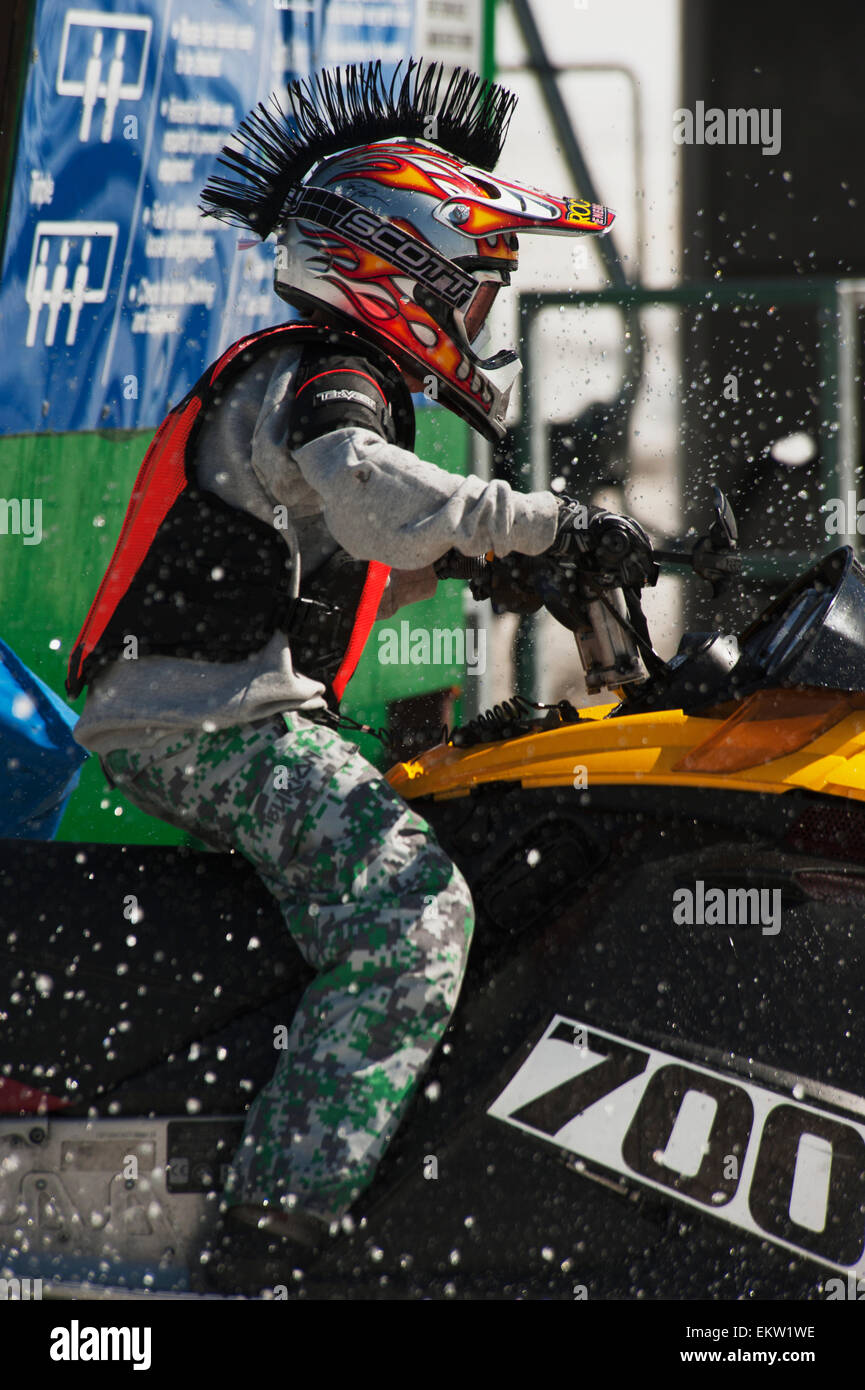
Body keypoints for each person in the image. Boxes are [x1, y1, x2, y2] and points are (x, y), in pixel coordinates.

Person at [66, 58, 629, 1294]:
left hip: (204, 709)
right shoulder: (326, 376)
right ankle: (274, 1238)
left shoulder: (315, 380)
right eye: (476, 296)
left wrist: (496, 570)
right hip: (205, 720)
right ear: (403, 269)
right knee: (411, 918)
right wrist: (538, 524)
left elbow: (342, 558)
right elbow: (374, 505)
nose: (483, 327)